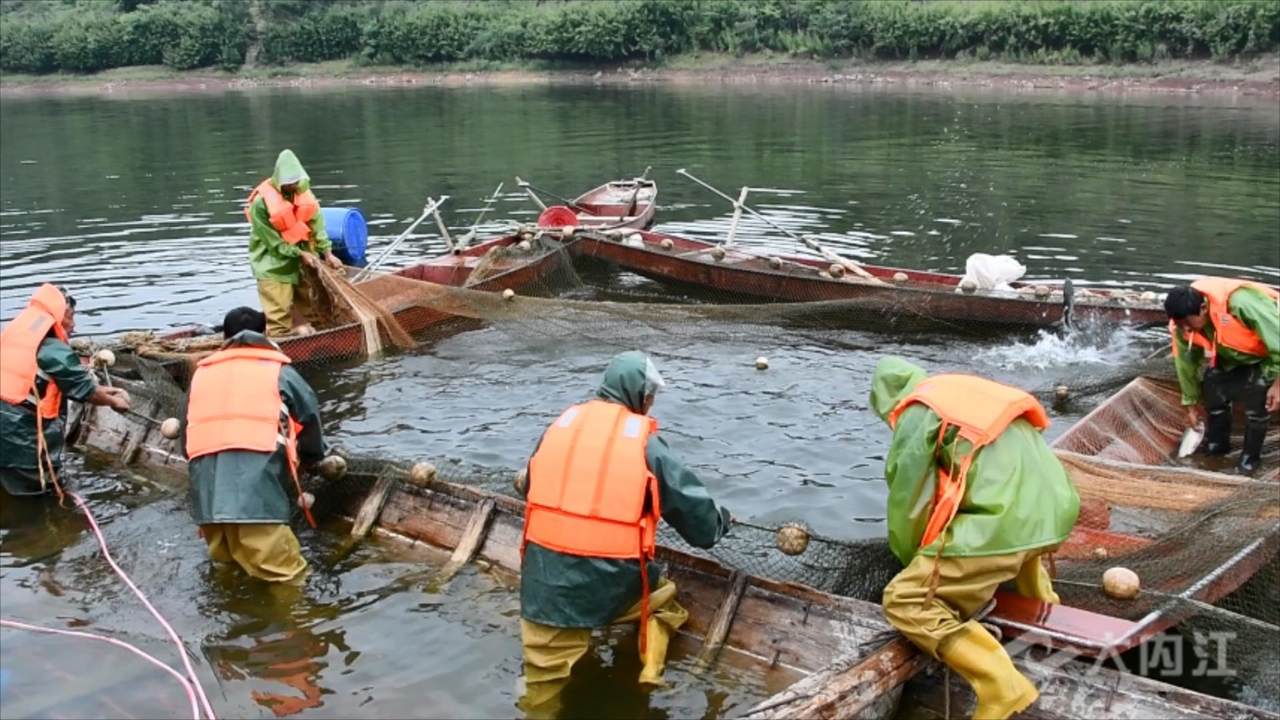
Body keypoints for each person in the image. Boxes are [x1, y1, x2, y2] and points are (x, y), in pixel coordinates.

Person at [518, 351, 731, 713]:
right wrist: (721, 521)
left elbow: (531, 486)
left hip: (544, 583)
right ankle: (648, 672)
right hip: (612, 582)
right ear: (639, 395)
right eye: (650, 397)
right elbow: (696, 518)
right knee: (663, 604)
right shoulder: (644, 443)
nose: (650, 403)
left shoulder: (561, 424)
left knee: (540, 690)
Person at [869, 357, 1079, 720]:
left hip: (1004, 521)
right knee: (1018, 555)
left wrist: (912, 562)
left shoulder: (918, 410)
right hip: (1056, 507)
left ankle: (1002, 687)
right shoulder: (954, 389)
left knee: (906, 602)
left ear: (887, 401)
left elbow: (909, 499)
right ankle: (1043, 611)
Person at [184, 306, 327, 582]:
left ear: (224, 337)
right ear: (265, 333)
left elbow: (187, 440)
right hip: (257, 500)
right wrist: (313, 457)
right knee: (289, 580)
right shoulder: (279, 372)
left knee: (227, 573)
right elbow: (309, 418)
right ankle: (298, 625)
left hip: (207, 502)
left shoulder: (201, 375)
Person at [1, 284, 131, 496]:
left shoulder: (17, 333)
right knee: (38, 494)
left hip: (5, 424)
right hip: (20, 438)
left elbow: (76, 382)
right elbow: (85, 390)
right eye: (70, 317)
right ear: (58, 317)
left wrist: (106, 391)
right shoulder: (53, 351)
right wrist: (115, 402)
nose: (74, 325)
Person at [1164, 278, 1279, 474]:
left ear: (1202, 308)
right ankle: (1216, 451)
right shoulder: (1182, 324)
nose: (1186, 329)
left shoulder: (1241, 303)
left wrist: (1277, 385)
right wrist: (1190, 405)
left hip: (1270, 355)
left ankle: (1249, 461)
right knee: (1212, 385)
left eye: (1188, 323)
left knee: (1258, 395)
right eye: (1180, 324)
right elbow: (1186, 365)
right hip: (1235, 355)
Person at [247, 149, 344, 337]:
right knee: (278, 314)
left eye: (295, 182)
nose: (292, 186)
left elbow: (317, 225)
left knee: (312, 306)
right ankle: (280, 350)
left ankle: (319, 340)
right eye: (287, 183)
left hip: (302, 260)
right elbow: (273, 243)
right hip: (272, 262)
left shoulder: (305, 194)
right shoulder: (261, 204)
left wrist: (327, 253)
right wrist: (300, 254)